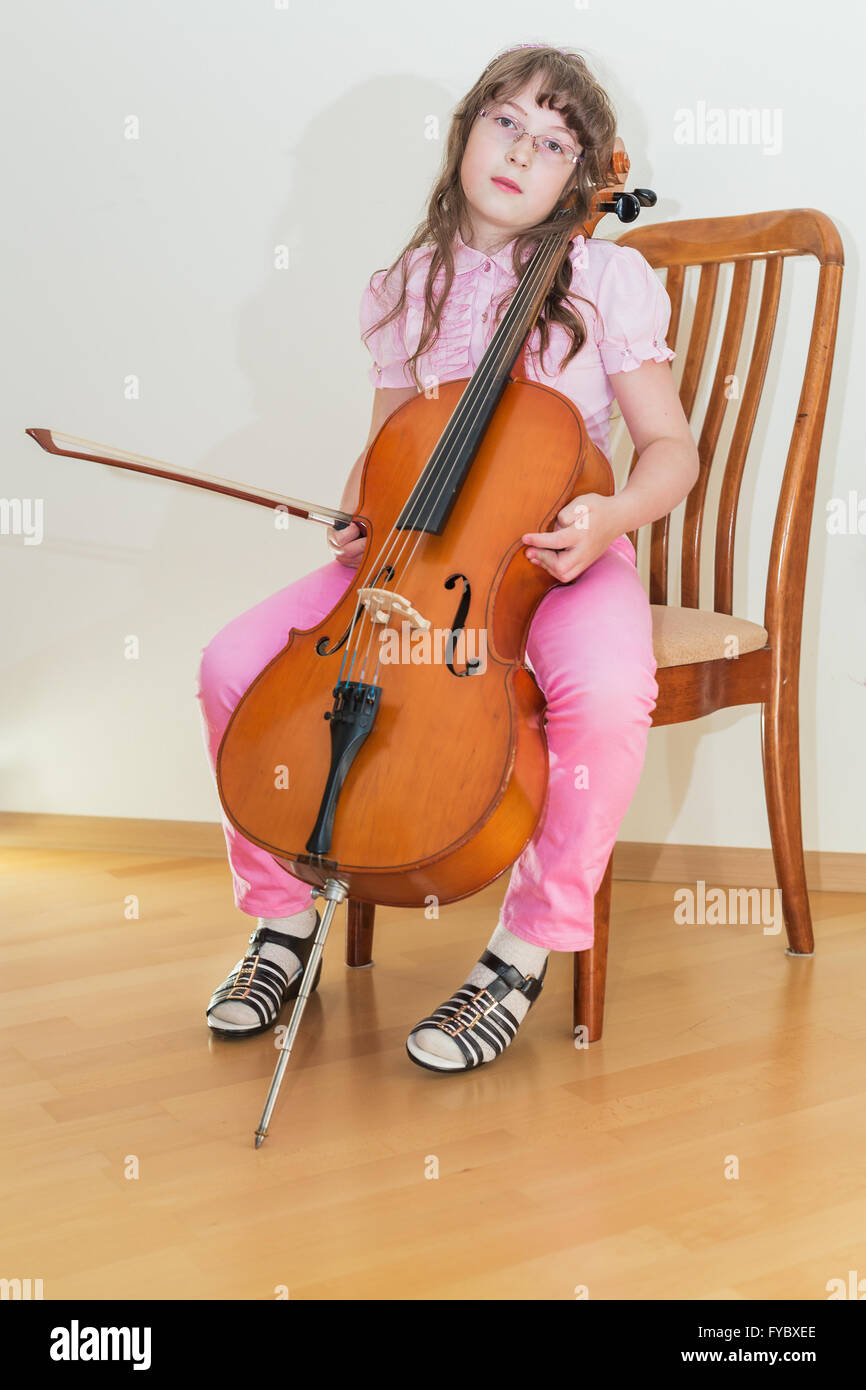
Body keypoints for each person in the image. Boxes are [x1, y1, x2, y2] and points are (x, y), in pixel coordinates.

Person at [196, 42, 699, 1072]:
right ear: (466, 132)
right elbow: (388, 449)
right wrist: (356, 515)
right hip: (412, 561)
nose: (522, 150)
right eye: (506, 122)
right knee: (233, 664)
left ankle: (524, 945)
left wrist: (604, 522)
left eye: (554, 142)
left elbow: (669, 451)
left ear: (579, 178)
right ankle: (281, 923)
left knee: (603, 696)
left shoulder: (604, 278)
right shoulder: (406, 285)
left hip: (558, 557)